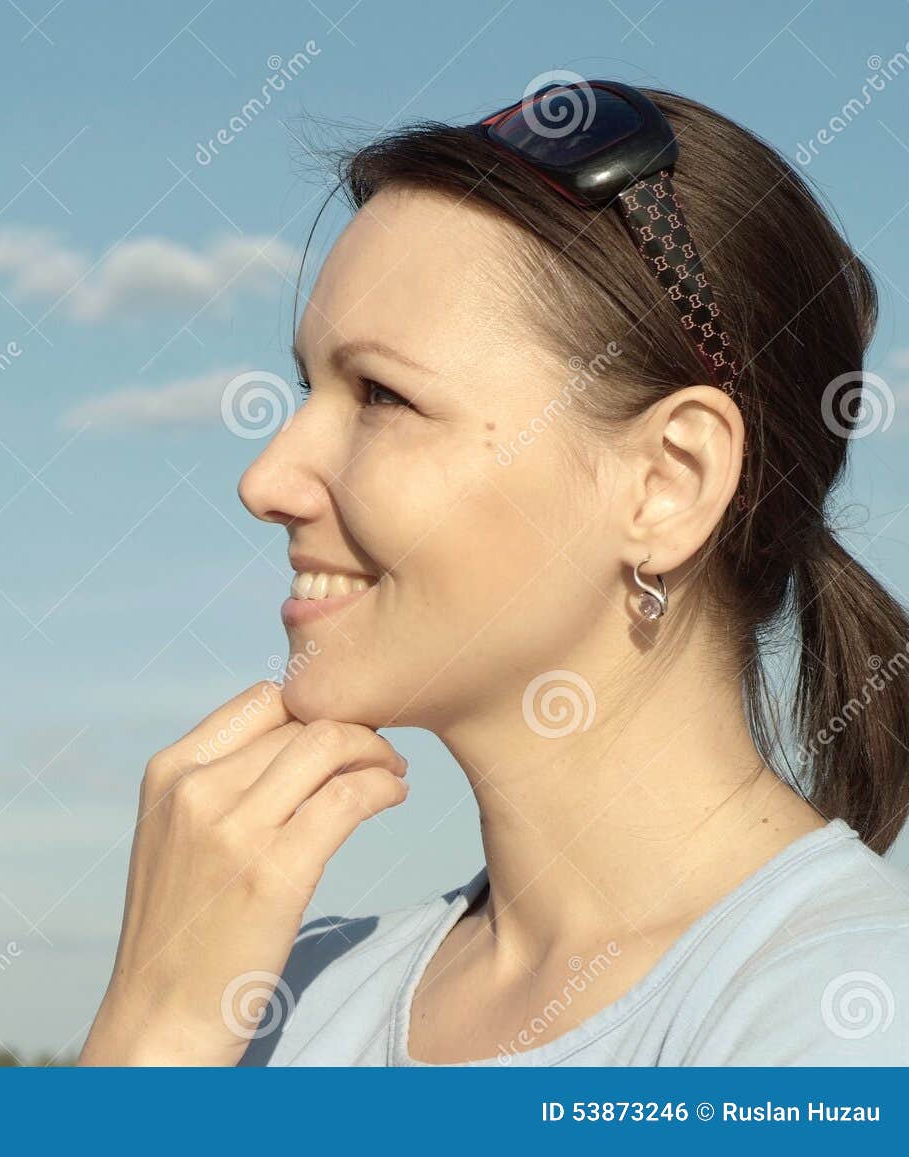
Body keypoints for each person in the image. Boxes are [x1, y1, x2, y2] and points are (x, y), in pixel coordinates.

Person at [77, 80, 909, 1066]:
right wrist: (157, 1025)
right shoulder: (282, 996)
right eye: (311, 388)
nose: (266, 479)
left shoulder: (843, 1017)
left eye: (381, 394)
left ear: (666, 481)